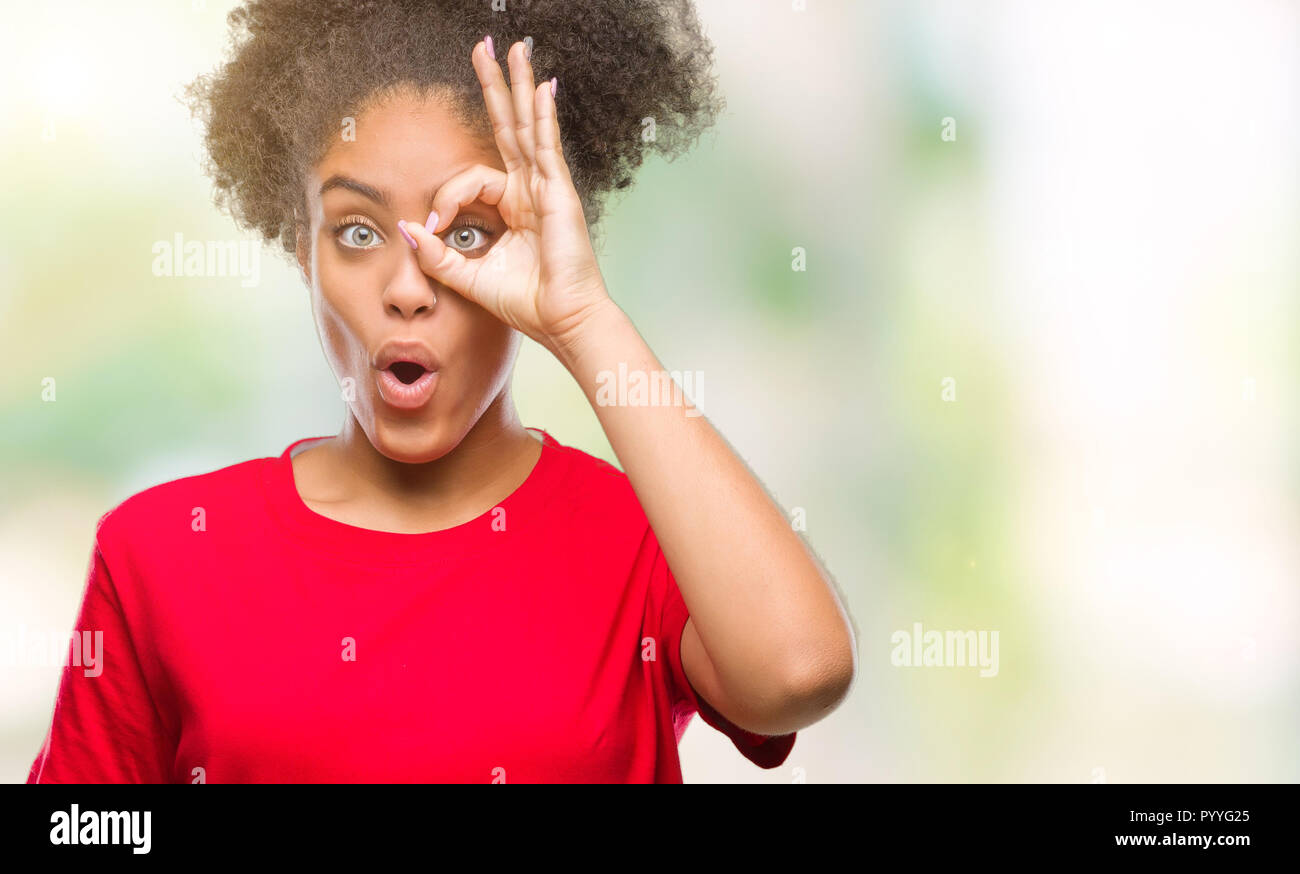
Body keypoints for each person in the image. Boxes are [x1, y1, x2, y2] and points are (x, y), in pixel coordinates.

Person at [27, 0, 855, 783]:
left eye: (468, 233)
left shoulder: (651, 545)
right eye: (357, 232)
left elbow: (797, 675)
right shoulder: (161, 554)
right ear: (299, 244)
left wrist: (581, 314)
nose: (410, 289)